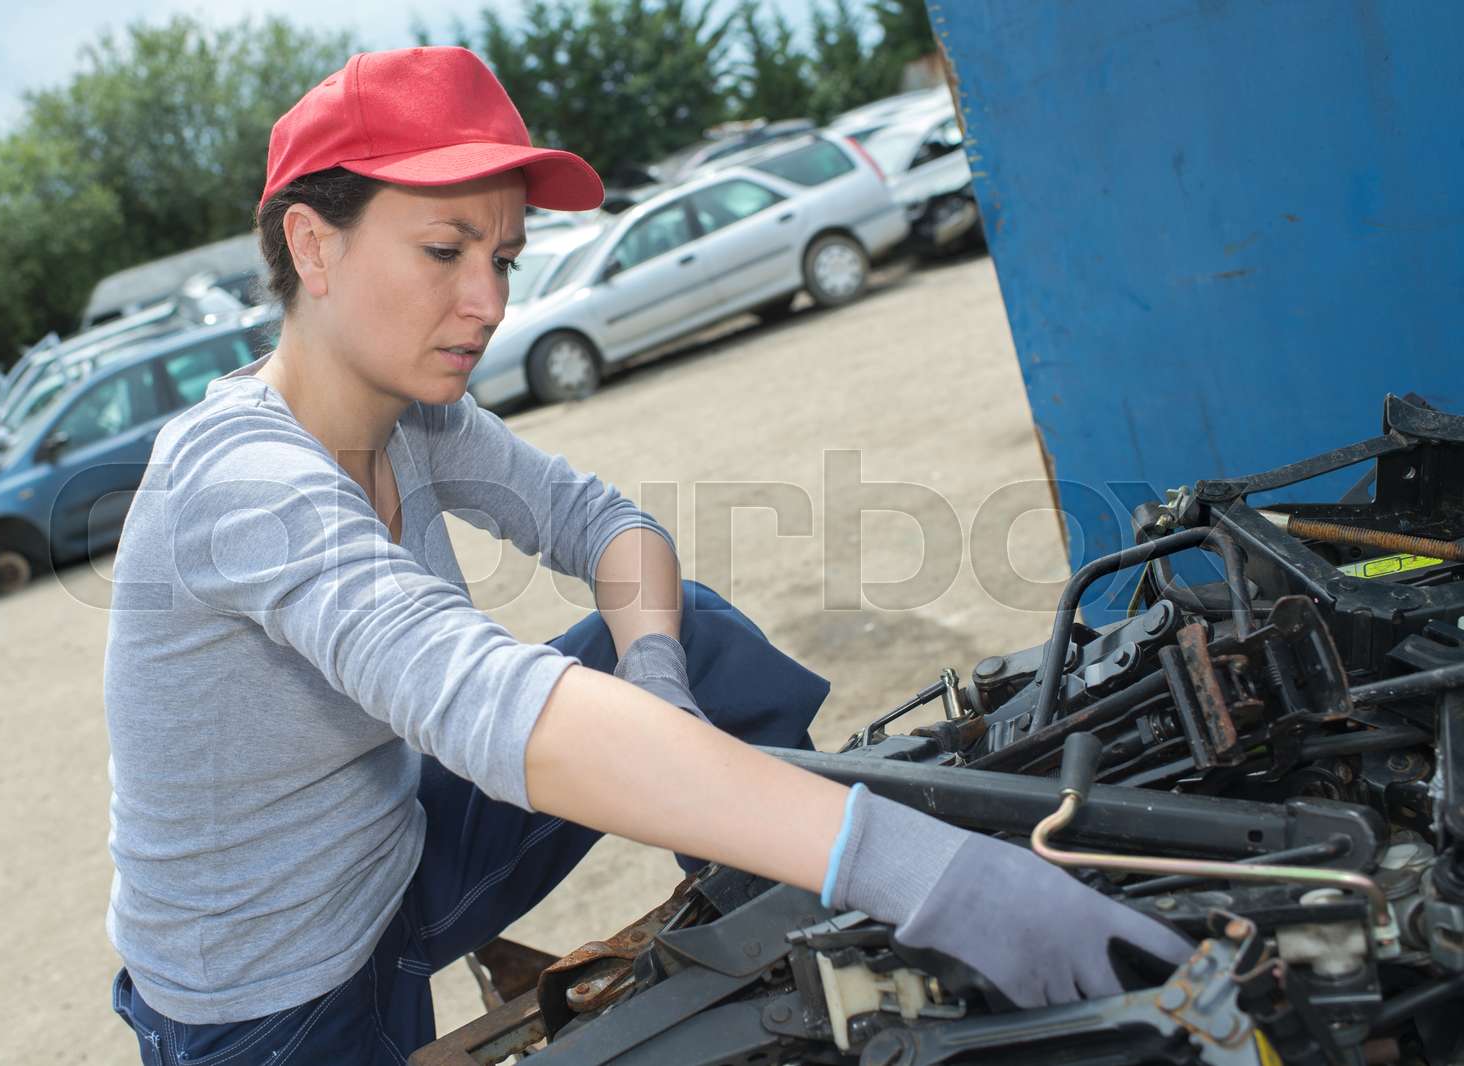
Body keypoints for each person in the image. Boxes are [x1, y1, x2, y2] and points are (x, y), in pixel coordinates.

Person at [105, 46, 1188, 1066]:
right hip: (271, 997)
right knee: (582, 712)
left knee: (697, 634)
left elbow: (608, 525)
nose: (486, 303)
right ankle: (850, 870)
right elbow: (477, 695)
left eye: (505, 258)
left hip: (390, 853)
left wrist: (662, 686)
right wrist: (932, 871)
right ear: (312, 245)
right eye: (444, 251)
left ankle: (788, 919)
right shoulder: (239, 480)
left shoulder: (412, 412)